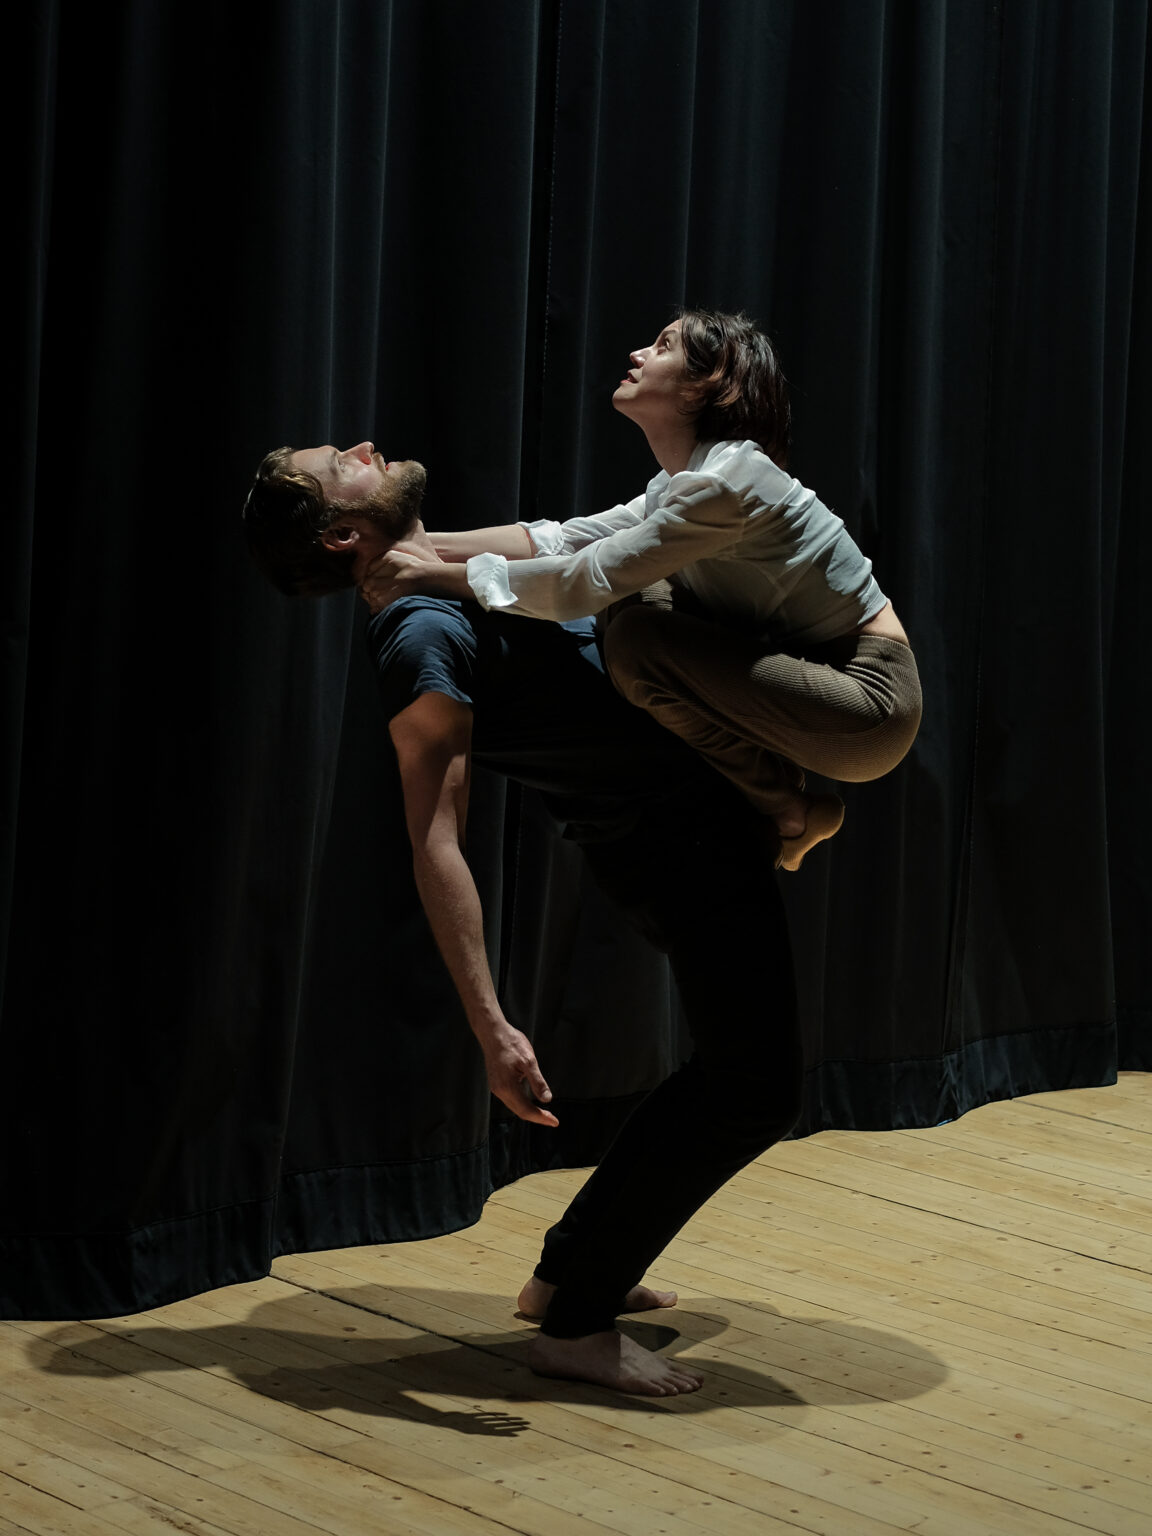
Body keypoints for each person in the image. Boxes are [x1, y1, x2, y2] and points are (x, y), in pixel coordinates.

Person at [242, 442, 802, 1396]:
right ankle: (576, 1323)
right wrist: (491, 1025)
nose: (366, 447)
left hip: (688, 835)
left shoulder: (455, 580)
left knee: (732, 1072)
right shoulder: (420, 629)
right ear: (345, 532)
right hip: (674, 853)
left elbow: (590, 539)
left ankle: (566, 1276)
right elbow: (436, 840)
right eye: (344, 462)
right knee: (756, 1087)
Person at [359, 310, 922, 871]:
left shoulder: (726, 484)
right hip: (801, 662)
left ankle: (787, 805)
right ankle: (757, 795)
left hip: (869, 703)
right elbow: (563, 540)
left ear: (704, 383)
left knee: (637, 640)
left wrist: (432, 575)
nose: (638, 354)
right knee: (634, 605)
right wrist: (419, 545)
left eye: (663, 345)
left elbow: (584, 580)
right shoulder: (680, 483)